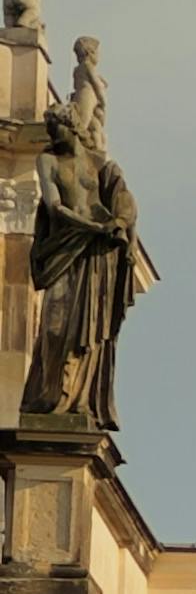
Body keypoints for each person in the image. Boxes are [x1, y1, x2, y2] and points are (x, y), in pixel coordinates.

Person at [19, 109, 139, 432]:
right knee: (54, 328)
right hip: (66, 246)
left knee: (86, 335)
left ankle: (78, 400)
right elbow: (54, 207)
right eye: (50, 130)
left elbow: (124, 199)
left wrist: (118, 222)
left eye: (56, 129)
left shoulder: (101, 167)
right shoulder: (49, 162)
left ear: (71, 128)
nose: (52, 136)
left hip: (96, 257)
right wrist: (91, 227)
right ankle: (49, 398)